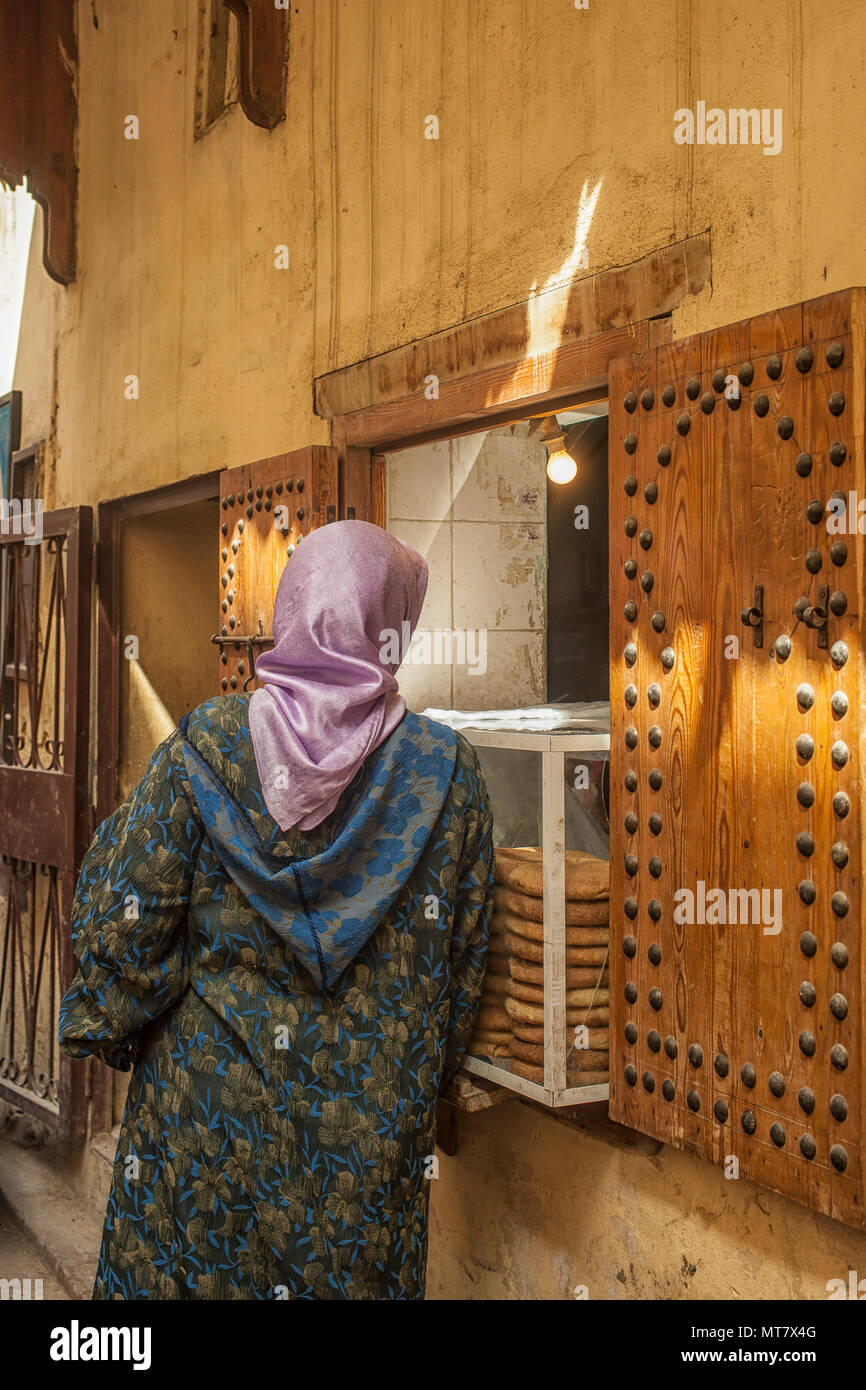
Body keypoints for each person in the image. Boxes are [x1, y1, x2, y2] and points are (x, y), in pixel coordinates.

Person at [59, 519, 494, 1300]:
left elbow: (126, 925)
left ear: (292, 608)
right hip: (362, 1156)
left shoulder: (206, 745)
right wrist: (407, 1081)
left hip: (203, 1127)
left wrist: (118, 1020)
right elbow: (460, 975)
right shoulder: (446, 774)